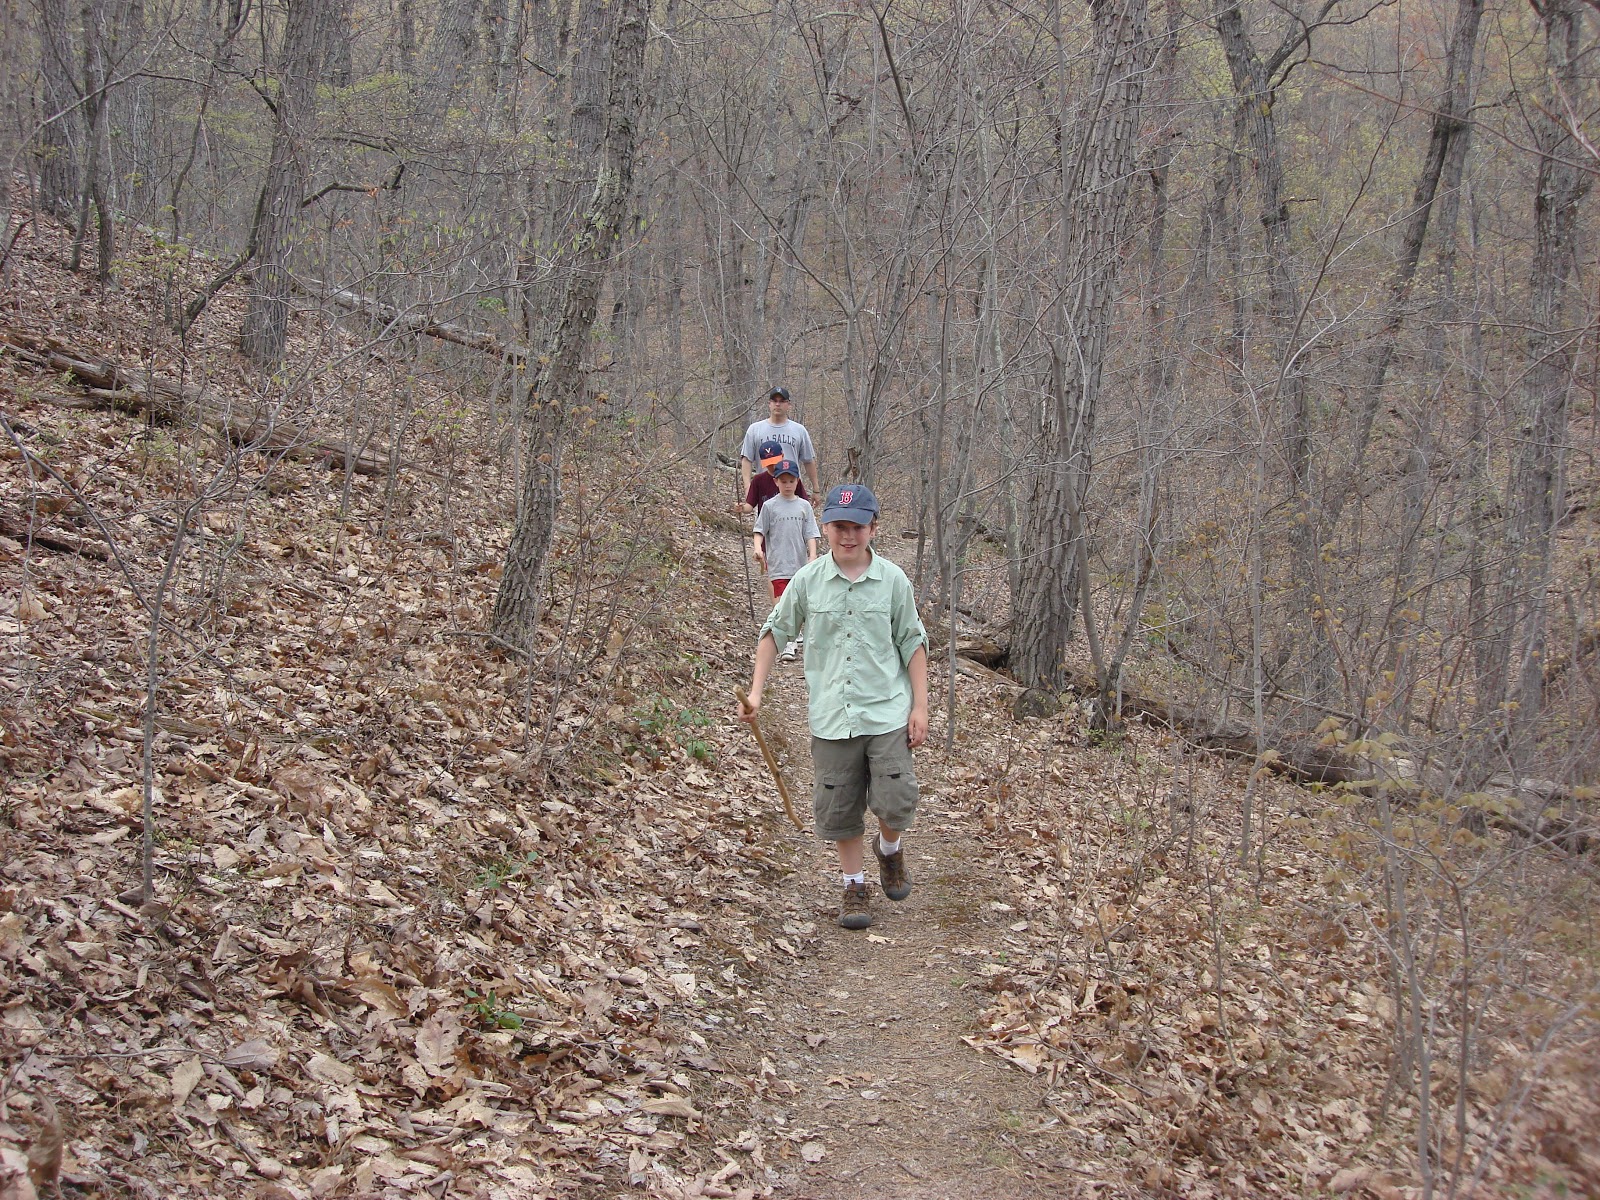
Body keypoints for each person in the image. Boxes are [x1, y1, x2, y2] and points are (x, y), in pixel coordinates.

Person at [737, 482, 929, 931]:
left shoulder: (894, 581)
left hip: (886, 711)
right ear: (824, 529)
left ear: (872, 529)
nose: (848, 536)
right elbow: (774, 632)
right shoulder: (807, 581)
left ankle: (889, 848)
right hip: (831, 716)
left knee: (895, 801)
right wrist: (757, 692)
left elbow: (913, 643)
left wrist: (920, 705)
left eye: (857, 527)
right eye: (839, 526)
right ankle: (853, 883)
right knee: (839, 807)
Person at [751, 460, 819, 662]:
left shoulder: (804, 506)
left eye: (791, 480)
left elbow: (811, 534)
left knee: (802, 604)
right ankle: (788, 644)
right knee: (781, 605)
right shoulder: (770, 507)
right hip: (778, 564)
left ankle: (799, 635)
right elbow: (759, 531)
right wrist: (757, 549)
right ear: (776, 481)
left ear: (798, 481)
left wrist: (812, 555)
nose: (788, 484)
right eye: (784, 481)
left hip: (800, 566)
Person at [740, 386, 820, 499]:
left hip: (791, 488)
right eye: (774, 401)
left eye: (782, 401)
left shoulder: (799, 430)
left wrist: (816, 490)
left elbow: (808, 460)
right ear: (769, 403)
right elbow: (747, 459)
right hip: (765, 490)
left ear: (789, 404)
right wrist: (747, 487)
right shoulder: (755, 429)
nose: (778, 404)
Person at [741, 439, 810, 514]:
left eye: (775, 462)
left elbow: (804, 504)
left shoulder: (792, 478)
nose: (773, 466)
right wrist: (742, 508)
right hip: (767, 522)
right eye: (769, 464)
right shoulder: (758, 480)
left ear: (782, 456)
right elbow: (750, 505)